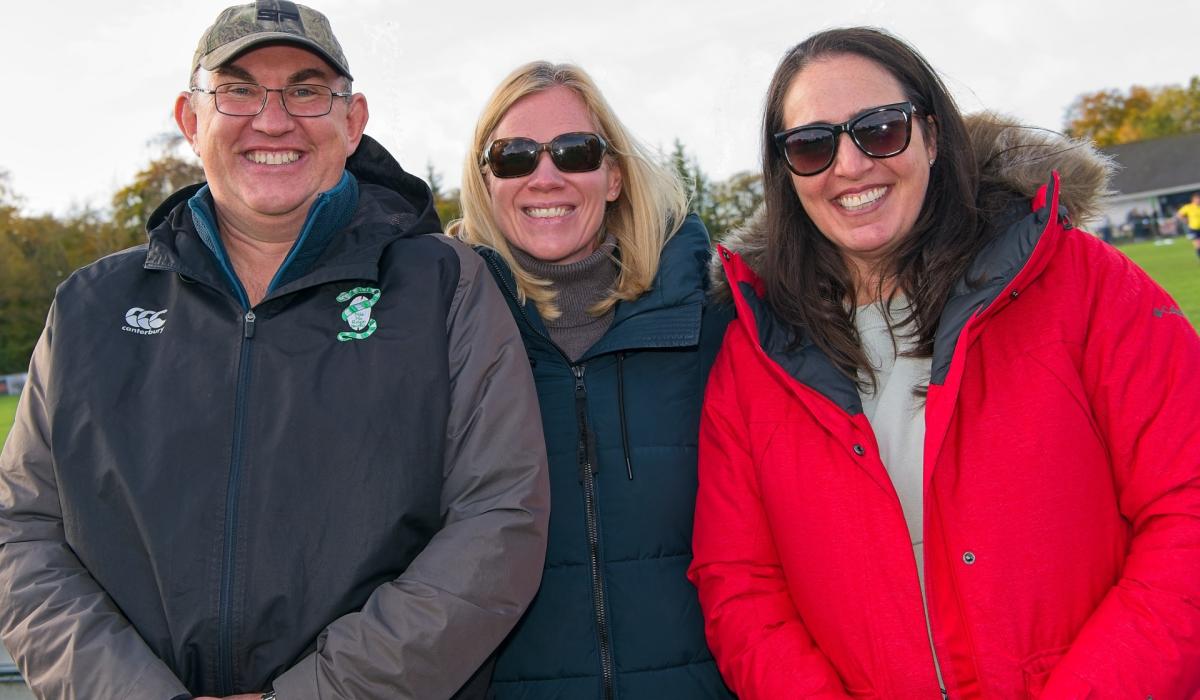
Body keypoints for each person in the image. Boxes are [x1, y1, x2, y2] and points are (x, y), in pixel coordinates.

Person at [0, 3, 549, 699]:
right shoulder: (89, 308)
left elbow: (499, 522)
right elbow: (22, 534)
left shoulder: (444, 286)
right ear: (190, 119)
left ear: (352, 122)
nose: (273, 118)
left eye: (306, 88)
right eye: (237, 89)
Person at [689, 27, 1200, 699]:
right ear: (786, 173)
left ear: (932, 135)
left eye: (879, 130)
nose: (849, 165)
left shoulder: (1084, 284)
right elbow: (740, 583)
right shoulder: (754, 355)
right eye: (812, 145)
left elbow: (1185, 510)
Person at [448, 62, 733, 699]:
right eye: (514, 156)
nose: (545, 176)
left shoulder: (716, 317)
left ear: (613, 177)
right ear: (486, 179)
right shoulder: (443, 335)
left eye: (575, 152)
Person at [1176, 191, 1200, 259]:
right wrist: (1185, 220)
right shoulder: (1188, 207)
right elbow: (1179, 214)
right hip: (1194, 228)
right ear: (1193, 199)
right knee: (1198, 244)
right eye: (1197, 198)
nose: (1199, 200)